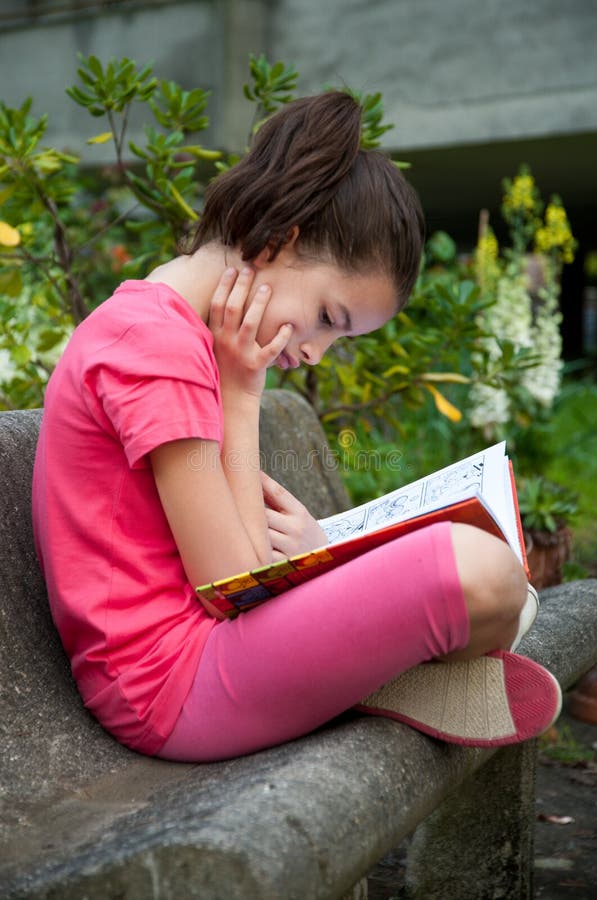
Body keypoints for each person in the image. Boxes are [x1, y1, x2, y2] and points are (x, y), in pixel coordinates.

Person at [32, 91, 561, 762]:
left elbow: (241, 579)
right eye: (330, 319)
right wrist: (243, 393)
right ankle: (368, 675)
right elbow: (232, 585)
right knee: (483, 572)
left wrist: (314, 554)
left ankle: (357, 675)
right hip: (168, 687)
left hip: (211, 657)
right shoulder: (152, 345)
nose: (313, 351)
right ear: (281, 240)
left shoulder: (186, 343)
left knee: (504, 592)